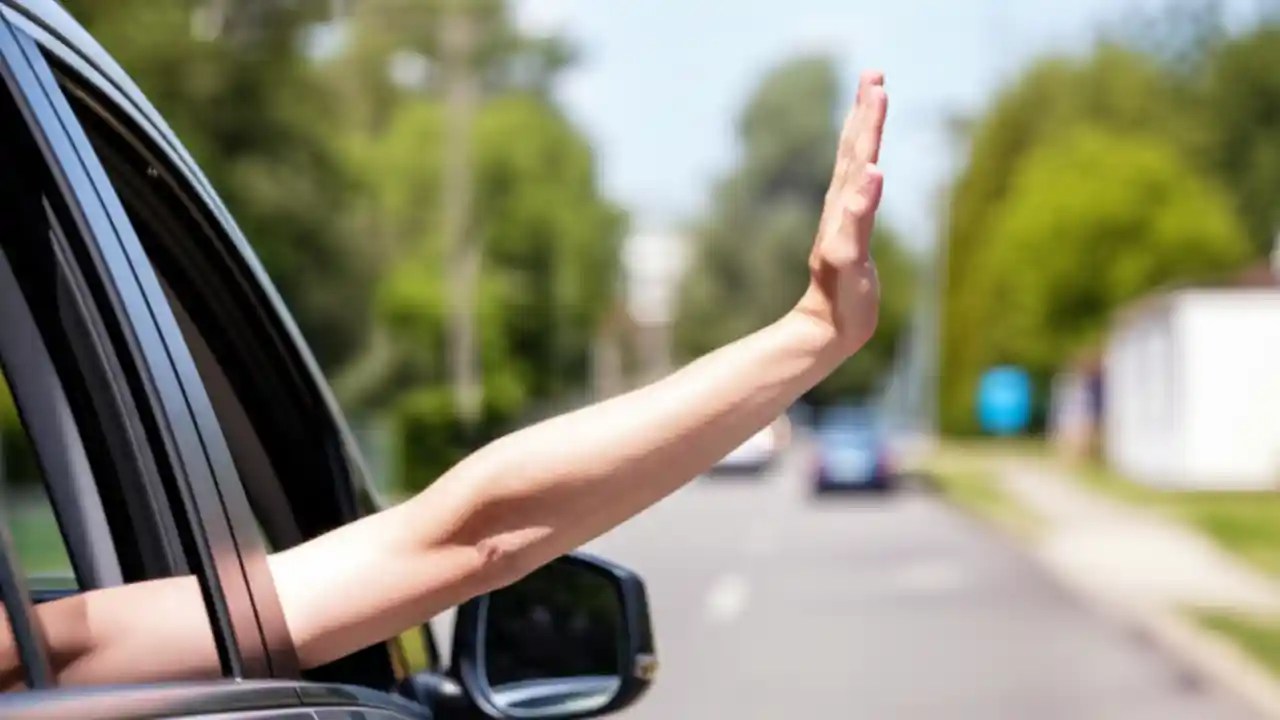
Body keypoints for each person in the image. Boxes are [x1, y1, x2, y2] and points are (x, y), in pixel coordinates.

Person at [0, 71, 889, 688]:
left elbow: (476, 536)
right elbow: (469, 538)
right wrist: (809, 336)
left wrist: (809, 335)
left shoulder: (39, 655)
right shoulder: (40, 654)